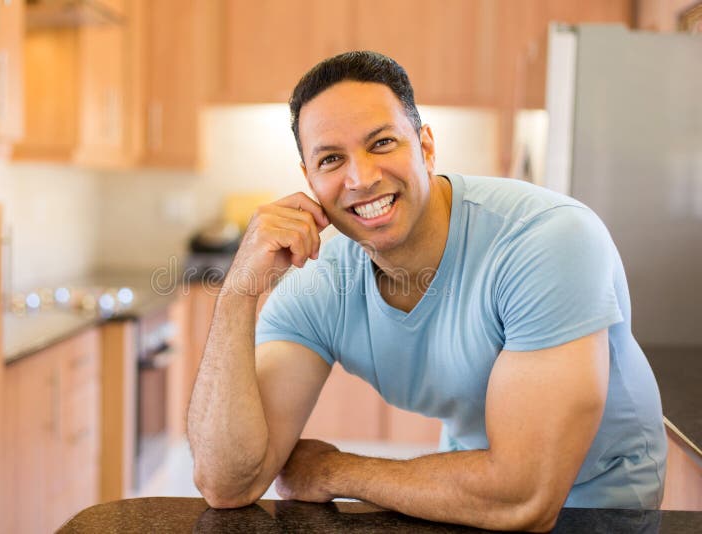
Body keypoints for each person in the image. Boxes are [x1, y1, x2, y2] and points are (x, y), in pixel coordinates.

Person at [186, 51, 667, 532]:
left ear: (426, 147)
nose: (361, 178)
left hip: (598, 506)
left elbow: (526, 498)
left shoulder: (546, 239)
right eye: (331, 159)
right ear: (310, 180)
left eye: (382, 143)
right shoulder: (324, 280)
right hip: (465, 489)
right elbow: (229, 484)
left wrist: (335, 470)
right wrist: (238, 290)